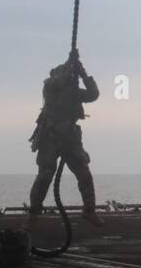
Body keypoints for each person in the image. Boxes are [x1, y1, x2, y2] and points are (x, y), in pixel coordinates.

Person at [28, 53, 103, 231]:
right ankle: (32, 215)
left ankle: (89, 210)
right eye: (64, 72)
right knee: (45, 174)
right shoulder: (50, 86)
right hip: (50, 136)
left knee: (84, 173)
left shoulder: (73, 91)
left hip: (71, 138)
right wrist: (70, 63)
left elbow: (93, 94)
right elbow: (59, 81)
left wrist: (83, 74)